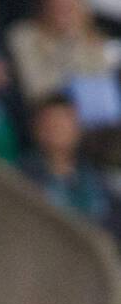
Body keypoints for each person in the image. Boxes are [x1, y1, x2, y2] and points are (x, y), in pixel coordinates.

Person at [22, 94, 112, 226]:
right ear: (37, 129)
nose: (58, 130)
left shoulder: (94, 174)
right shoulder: (23, 176)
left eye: (64, 123)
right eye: (51, 124)